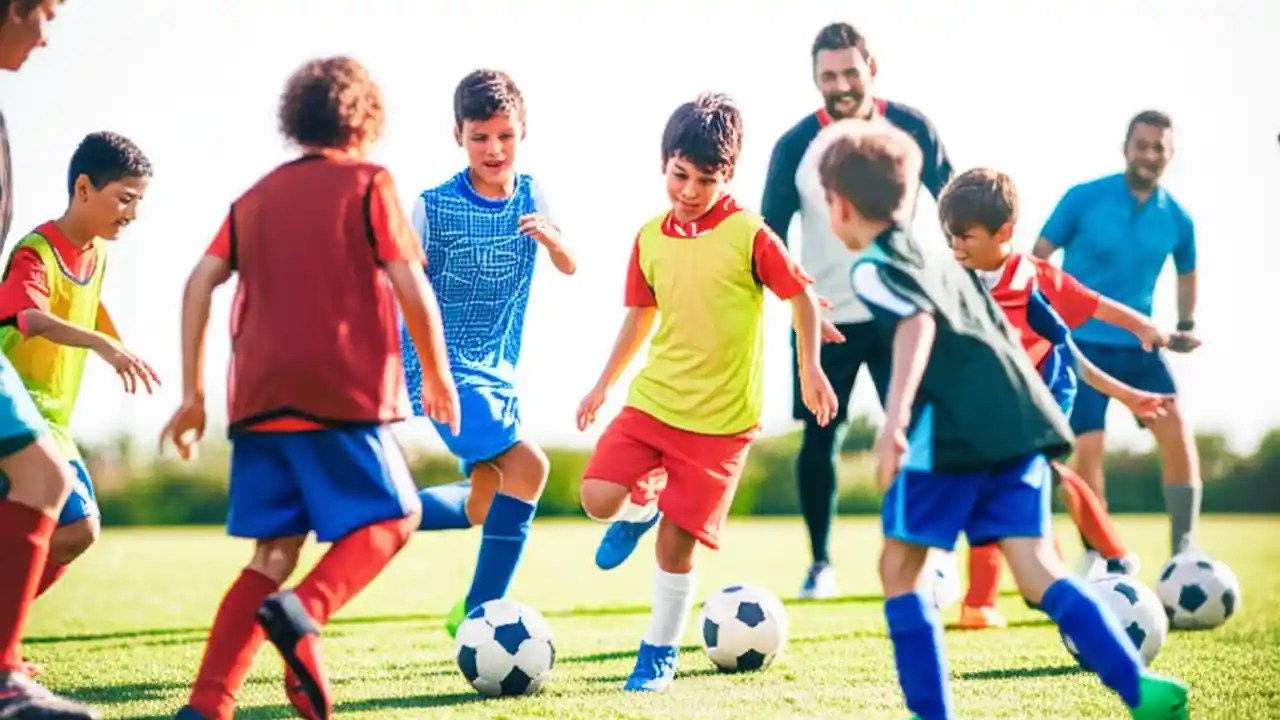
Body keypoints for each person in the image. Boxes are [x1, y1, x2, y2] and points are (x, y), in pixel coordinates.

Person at [819, 118, 1188, 720]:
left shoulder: (876, 268)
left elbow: (917, 326)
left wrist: (894, 424)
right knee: (1039, 569)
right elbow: (1027, 347)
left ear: (840, 206)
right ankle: (1137, 687)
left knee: (899, 569)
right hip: (1020, 429)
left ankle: (930, 714)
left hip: (953, 437)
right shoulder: (951, 267)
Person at [162, 56, 458, 720]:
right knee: (397, 515)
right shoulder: (369, 182)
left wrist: (193, 394)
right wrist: (436, 374)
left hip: (257, 401)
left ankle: (207, 705)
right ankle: (307, 610)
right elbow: (411, 282)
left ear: (295, 118)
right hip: (340, 391)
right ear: (365, 117)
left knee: (274, 552)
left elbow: (197, 285)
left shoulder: (254, 196)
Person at [575, 93, 837, 692]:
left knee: (676, 546)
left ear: (729, 176)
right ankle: (642, 503)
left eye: (706, 179)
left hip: (720, 426)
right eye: (680, 175)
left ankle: (657, 653)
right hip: (653, 402)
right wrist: (602, 385)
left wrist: (810, 368)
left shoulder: (749, 232)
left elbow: (797, 295)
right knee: (596, 498)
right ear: (663, 164)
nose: (690, 190)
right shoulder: (647, 238)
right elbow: (639, 317)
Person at [760, 21, 954, 597]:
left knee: (920, 432)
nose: (841, 85)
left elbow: (956, 204)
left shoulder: (913, 128)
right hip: (825, 321)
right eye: (828, 76)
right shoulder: (796, 145)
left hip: (902, 314)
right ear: (815, 79)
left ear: (873, 68)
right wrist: (799, 303)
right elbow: (768, 235)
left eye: (850, 72)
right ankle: (821, 563)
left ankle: (933, 554)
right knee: (819, 439)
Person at [937, 168, 1175, 629]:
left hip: (1043, 399)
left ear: (1004, 233)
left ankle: (1095, 559)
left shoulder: (1037, 281)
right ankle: (1005, 593)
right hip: (991, 407)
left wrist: (1144, 328)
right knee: (1002, 484)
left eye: (965, 236)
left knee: (1017, 478)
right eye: (950, 236)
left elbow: (1094, 309)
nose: (956, 246)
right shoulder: (953, 283)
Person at [404, 69, 575, 638]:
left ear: (523, 130)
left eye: (505, 135)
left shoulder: (534, 194)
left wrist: (554, 242)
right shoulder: (431, 207)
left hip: (497, 371)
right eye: (480, 137)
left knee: (484, 502)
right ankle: (479, 613)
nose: (494, 149)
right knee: (531, 466)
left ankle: (379, 509)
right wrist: (424, 372)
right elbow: (399, 288)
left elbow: (570, 263)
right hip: (445, 373)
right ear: (458, 134)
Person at [1033, 110, 1203, 573]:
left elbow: (1187, 271)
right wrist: (1037, 317)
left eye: (1159, 148)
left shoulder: (1179, 219)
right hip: (1080, 342)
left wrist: (1185, 323)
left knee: (1176, 430)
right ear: (1125, 147)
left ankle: (1185, 550)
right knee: (1089, 448)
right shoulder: (1083, 198)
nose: (1150, 155)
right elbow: (1038, 257)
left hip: (1140, 345)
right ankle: (1099, 553)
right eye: (1142, 145)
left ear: (1169, 155)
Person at [0, 131, 159, 599]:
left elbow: (87, 305)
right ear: (84, 188)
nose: (132, 214)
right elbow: (29, 317)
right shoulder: (36, 250)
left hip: (55, 424)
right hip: (17, 420)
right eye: (124, 199)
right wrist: (101, 347)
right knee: (75, 528)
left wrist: (117, 345)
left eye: (138, 202)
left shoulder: (97, 252)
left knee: (74, 534)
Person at [0, 1, 102, 716]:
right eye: (46, 13)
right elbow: (26, 312)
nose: (47, 33)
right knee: (47, 480)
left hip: (44, 414)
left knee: (52, 487)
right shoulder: (39, 250)